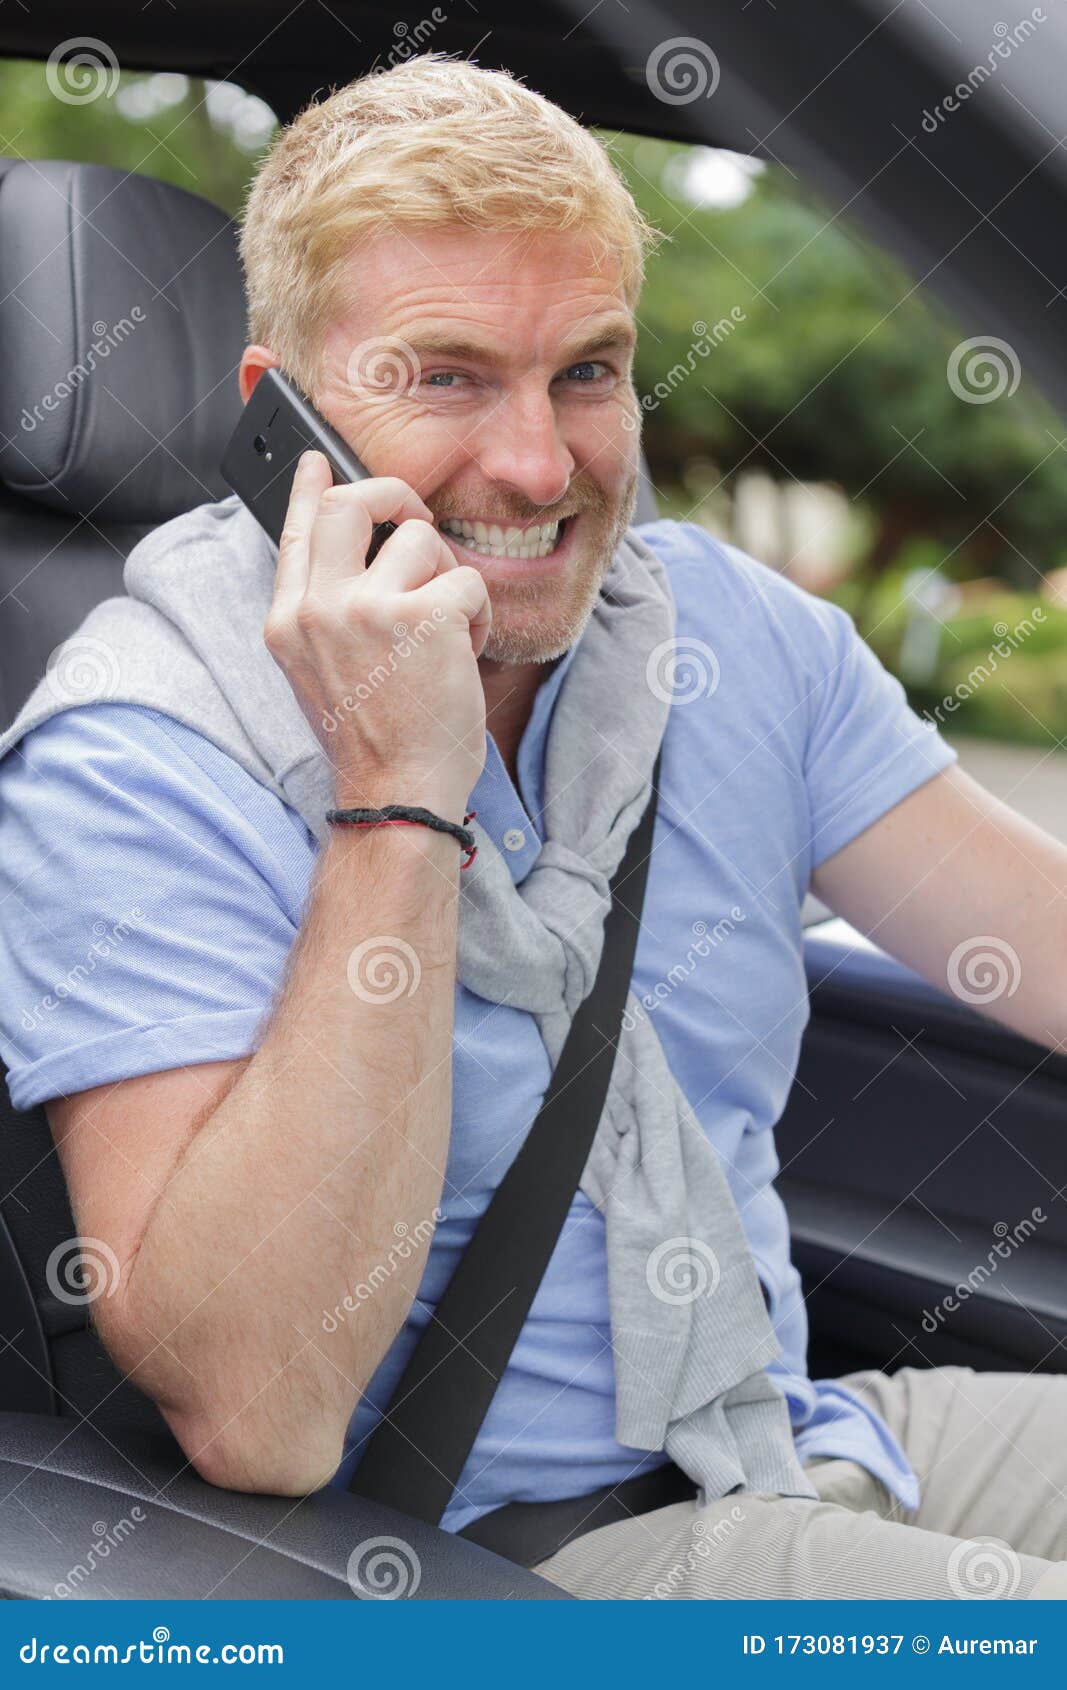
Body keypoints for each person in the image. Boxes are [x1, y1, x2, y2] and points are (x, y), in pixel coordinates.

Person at [1, 55, 1065, 1601]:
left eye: (586, 370)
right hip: (496, 1563)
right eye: (445, 376)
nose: (536, 463)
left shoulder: (731, 635)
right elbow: (258, 1410)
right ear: (278, 412)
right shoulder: (139, 745)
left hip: (791, 1429)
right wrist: (395, 790)